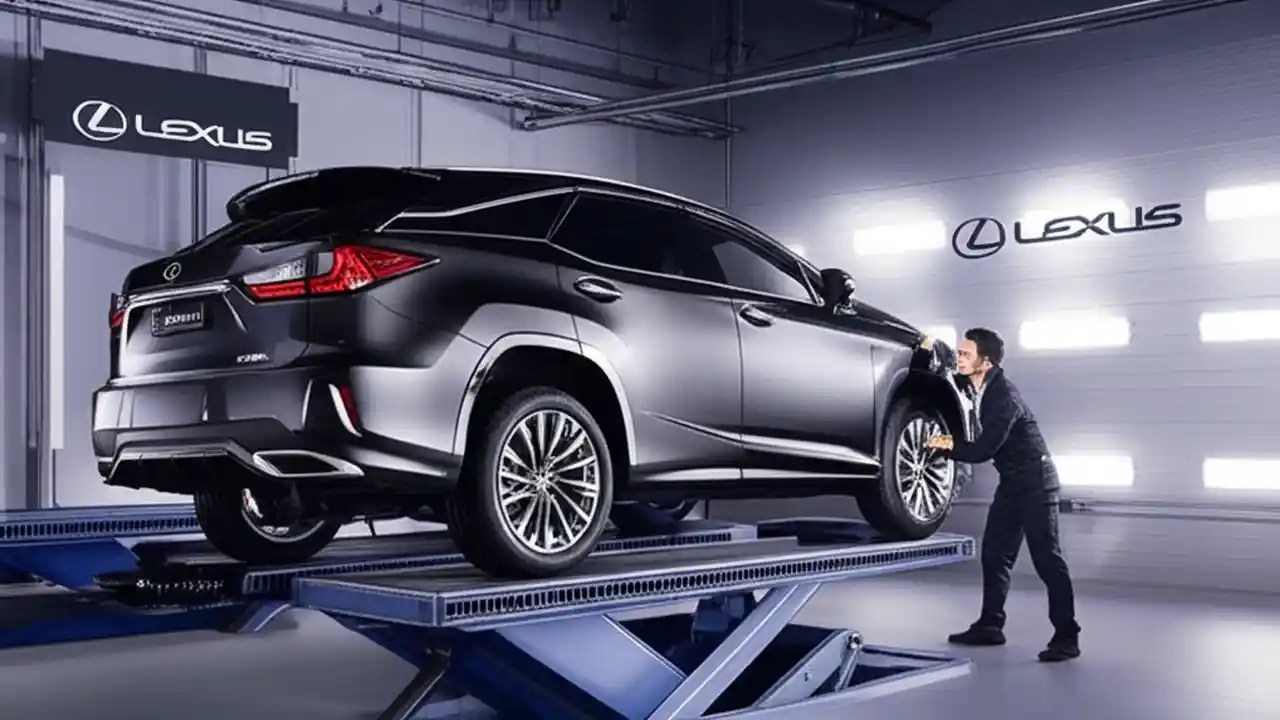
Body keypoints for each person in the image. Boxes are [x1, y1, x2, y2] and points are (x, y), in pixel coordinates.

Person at [925, 327, 1081, 662]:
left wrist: (945, 445)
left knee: (1047, 559)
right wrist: (927, 345)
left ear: (986, 362)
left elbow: (982, 450)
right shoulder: (977, 384)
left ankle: (1067, 637)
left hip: (1036, 481)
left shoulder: (1004, 398)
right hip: (1011, 481)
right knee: (995, 555)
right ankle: (990, 626)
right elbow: (947, 371)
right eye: (960, 352)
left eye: (966, 354)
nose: (959, 358)